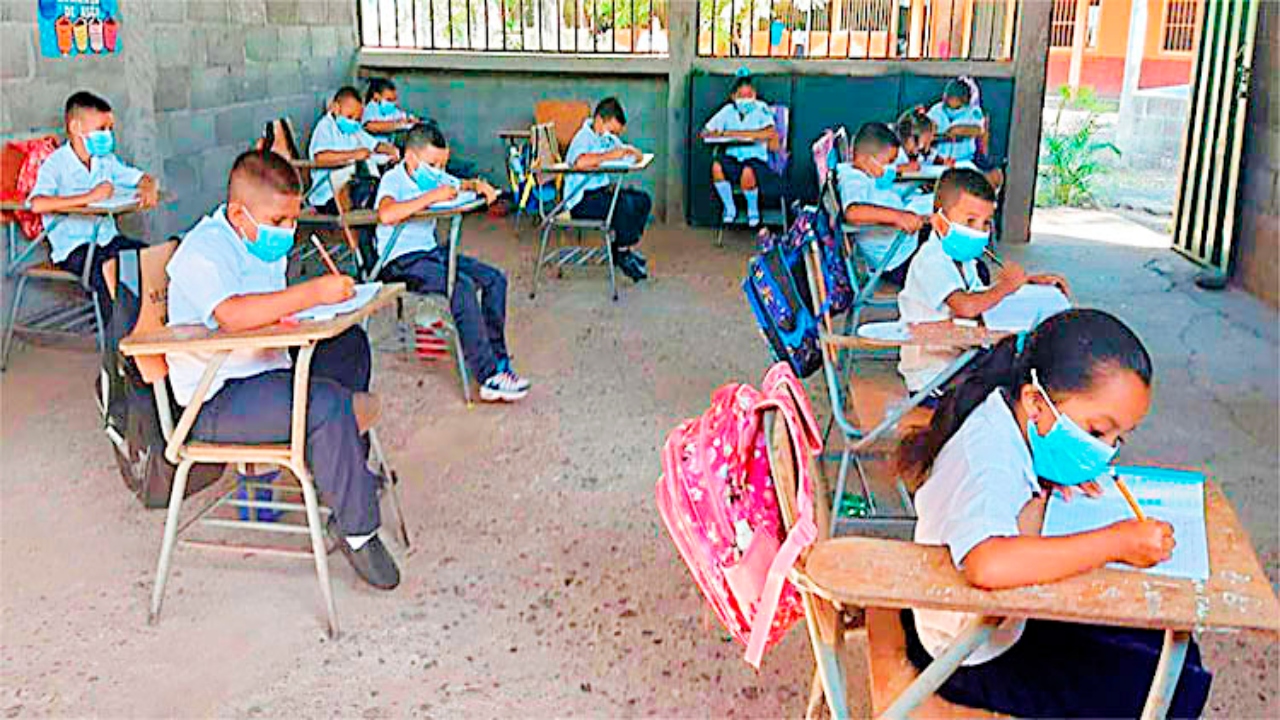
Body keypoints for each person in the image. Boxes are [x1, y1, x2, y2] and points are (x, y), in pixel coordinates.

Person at [896, 308, 1212, 718]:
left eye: (1119, 438)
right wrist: (1114, 542)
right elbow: (986, 564)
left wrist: (1051, 476)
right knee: (1171, 684)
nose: (1107, 450)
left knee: (1169, 647)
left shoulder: (1007, 416)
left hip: (997, 621)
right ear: (1035, 400)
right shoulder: (986, 456)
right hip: (967, 654)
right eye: (1097, 433)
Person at [164, 150, 399, 590]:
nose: (287, 231)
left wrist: (325, 308)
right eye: (278, 222)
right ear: (238, 213)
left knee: (349, 345)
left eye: (293, 219)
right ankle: (358, 529)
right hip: (217, 398)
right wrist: (312, 295)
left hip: (265, 369)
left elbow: (268, 312)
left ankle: (345, 470)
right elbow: (232, 315)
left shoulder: (256, 239)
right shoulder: (204, 248)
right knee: (326, 404)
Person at [374, 124, 530, 403]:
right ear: (410, 158)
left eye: (443, 164)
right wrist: (431, 197)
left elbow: (459, 184)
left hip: (431, 253)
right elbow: (386, 214)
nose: (439, 170)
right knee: (461, 286)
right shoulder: (394, 180)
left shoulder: (430, 177)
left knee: (495, 279)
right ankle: (488, 376)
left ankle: (499, 362)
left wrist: (476, 185)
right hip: (401, 260)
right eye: (433, 164)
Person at [897, 168, 1068, 398]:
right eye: (970, 221)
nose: (979, 231)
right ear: (940, 222)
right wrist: (1006, 286)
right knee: (1020, 378)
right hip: (934, 381)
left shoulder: (963, 258)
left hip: (962, 360)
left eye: (986, 223)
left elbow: (981, 296)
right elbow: (966, 307)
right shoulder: (931, 259)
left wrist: (1026, 282)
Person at [28, 91, 160, 326]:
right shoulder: (56, 164)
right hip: (75, 249)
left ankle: (149, 328)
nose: (108, 135)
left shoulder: (105, 160)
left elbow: (138, 177)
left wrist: (149, 187)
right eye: (102, 129)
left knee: (148, 257)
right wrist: (88, 197)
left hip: (108, 240)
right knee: (108, 275)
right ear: (76, 127)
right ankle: (118, 346)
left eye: (110, 129)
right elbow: (37, 203)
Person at [564, 97, 651, 283]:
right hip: (581, 201)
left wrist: (632, 152)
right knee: (623, 205)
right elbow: (580, 162)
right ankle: (622, 254)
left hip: (600, 192)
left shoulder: (605, 137)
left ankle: (623, 248)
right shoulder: (583, 137)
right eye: (612, 130)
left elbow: (622, 150)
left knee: (642, 200)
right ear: (600, 121)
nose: (613, 135)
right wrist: (611, 155)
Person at [836, 122, 930, 286]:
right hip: (895, 261)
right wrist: (899, 217)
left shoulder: (864, 173)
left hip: (903, 245)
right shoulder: (852, 180)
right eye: (889, 162)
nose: (891, 167)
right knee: (972, 270)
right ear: (867, 160)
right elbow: (853, 212)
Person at [699, 74, 780, 228]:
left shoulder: (761, 108)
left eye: (750, 95)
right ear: (733, 96)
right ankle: (730, 208)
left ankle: (752, 210)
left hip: (755, 160)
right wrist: (719, 134)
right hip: (733, 157)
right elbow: (705, 132)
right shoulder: (727, 111)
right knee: (717, 167)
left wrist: (738, 134)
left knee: (747, 172)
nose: (746, 99)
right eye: (742, 96)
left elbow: (770, 133)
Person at [307, 86, 400, 213]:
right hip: (328, 195)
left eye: (357, 119)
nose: (353, 122)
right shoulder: (325, 126)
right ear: (335, 108)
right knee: (367, 196)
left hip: (350, 188)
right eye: (349, 116)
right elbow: (320, 157)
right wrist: (354, 154)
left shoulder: (354, 129)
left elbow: (375, 145)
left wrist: (391, 150)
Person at [927, 77, 1004, 188]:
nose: (952, 108)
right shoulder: (936, 110)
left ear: (965, 102)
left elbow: (979, 129)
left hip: (963, 160)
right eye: (948, 105)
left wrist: (960, 130)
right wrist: (937, 134)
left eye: (957, 107)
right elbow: (925, 129)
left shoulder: (973, 112)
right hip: (938, 161)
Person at [362, 78, 417, 143]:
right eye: (389, 100)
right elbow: (371, 126)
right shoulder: (371, 107)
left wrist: (412, 120)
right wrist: (399, 125)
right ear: (376, 96)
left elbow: (406, 117)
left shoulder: (393, 110)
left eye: (394, 99)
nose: (393, 103)